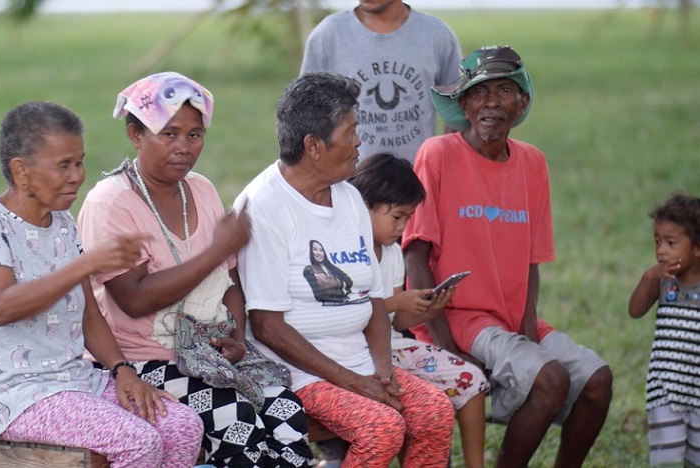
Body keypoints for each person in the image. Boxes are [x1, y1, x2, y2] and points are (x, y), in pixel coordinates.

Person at [77, 72, 313, 468]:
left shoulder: (200, 189)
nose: (184, 148)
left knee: (286, 412)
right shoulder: (111, 202)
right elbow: (134, 299)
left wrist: (237, 337)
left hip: (209, 351)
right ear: (135, 135)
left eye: (194, 134)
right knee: (237, 419)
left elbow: (230, 279)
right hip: (142, 361)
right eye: (168, 134)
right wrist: (215, 251)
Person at [0, 101, 204, 467]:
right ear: (21, 171)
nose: (77, 175)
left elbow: (89, 315)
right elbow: (3, 306)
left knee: (182, 426)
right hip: (17, 396)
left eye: (79, 161)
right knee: (138, 442)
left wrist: (122, 371)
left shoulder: (62, 222)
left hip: (78, 380)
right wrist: (86, 264)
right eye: (63, 166)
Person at [402, 45, 614, 467]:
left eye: (504, 91)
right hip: (460, 319)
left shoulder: (533, 163)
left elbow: (531, 261)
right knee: (550, 379)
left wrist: (528, 328)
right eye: (478, 93)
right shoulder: (439, 154)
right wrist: (444, 345)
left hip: (514, 318)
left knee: (596, 379)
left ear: (522, 104)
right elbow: (415, 257)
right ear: (462, 105)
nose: (491, 103)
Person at [234, 71, 455, 468]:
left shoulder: (350, 197)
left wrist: (383, 372)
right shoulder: (264, 206)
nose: (359, 143)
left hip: (360, 365)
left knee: (435, 413)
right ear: (314, 146)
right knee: (382, 427)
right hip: (298, 375)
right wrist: (353, 382)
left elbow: (371, 299)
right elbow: (267, 326)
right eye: (351, 132)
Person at [344, 152, 490, 468]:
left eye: (408, 218)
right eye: (397, 217)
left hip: (395, 345)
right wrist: (397, 303)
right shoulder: (345, 249)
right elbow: (349, 312)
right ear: (362, 205)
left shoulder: (394, 253)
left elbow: (396, 320)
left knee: (472, 379)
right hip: (360, 352)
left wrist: (424, 309)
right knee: (419, 405)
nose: (403, 226)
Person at [300, 0, 462, 164]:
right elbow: (306, 115)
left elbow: (457, 110)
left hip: (419, 180)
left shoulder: (437, 34)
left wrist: (443, 166)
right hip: (352, 181)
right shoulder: (328, 35)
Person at [628, 193, 700, 467]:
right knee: (667, 459)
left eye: (671, 243)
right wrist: (648, 277)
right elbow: (635, 311)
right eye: (657, 242)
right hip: (665, 389)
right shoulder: (662, 282)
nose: (661, 251)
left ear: (697, 248)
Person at [303, 240, 353, 304]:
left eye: (321, 250)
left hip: (345, 302)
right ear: (311, 251)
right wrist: (339, 300)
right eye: (315, 249)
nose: (319, 253)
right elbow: (319, 296)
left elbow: (349, 281)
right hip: (325, 306)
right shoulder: (309, 269)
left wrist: (347, 293)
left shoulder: (331, 267)